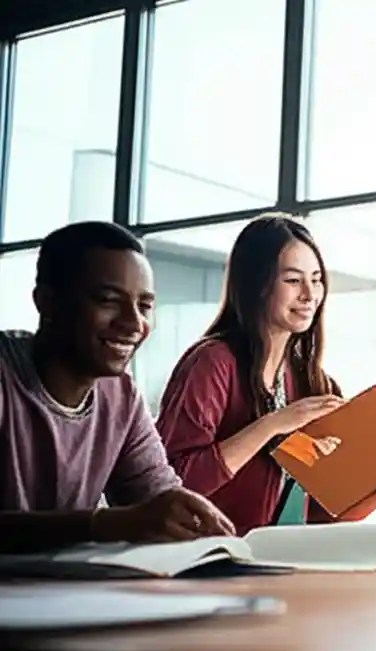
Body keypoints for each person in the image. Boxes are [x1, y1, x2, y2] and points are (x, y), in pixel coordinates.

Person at [154, 213, 376, 534]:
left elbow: (315, 515)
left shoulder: (311, 382)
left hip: (272, 559)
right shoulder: (213, 362)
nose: (309, 294)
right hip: (207, 558)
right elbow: (174, 483)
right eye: (292, 280)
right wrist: (271, 426)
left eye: (316, 280)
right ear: (257, 284)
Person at [0, 221, 234, 552]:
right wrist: (106, 524)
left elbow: (157, 502)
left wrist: (187, 520)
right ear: (47, 303)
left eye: (145, 306)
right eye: (109, 301)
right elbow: (132, 521)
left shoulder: (121, 397)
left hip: (64, 596)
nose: (134, 323)